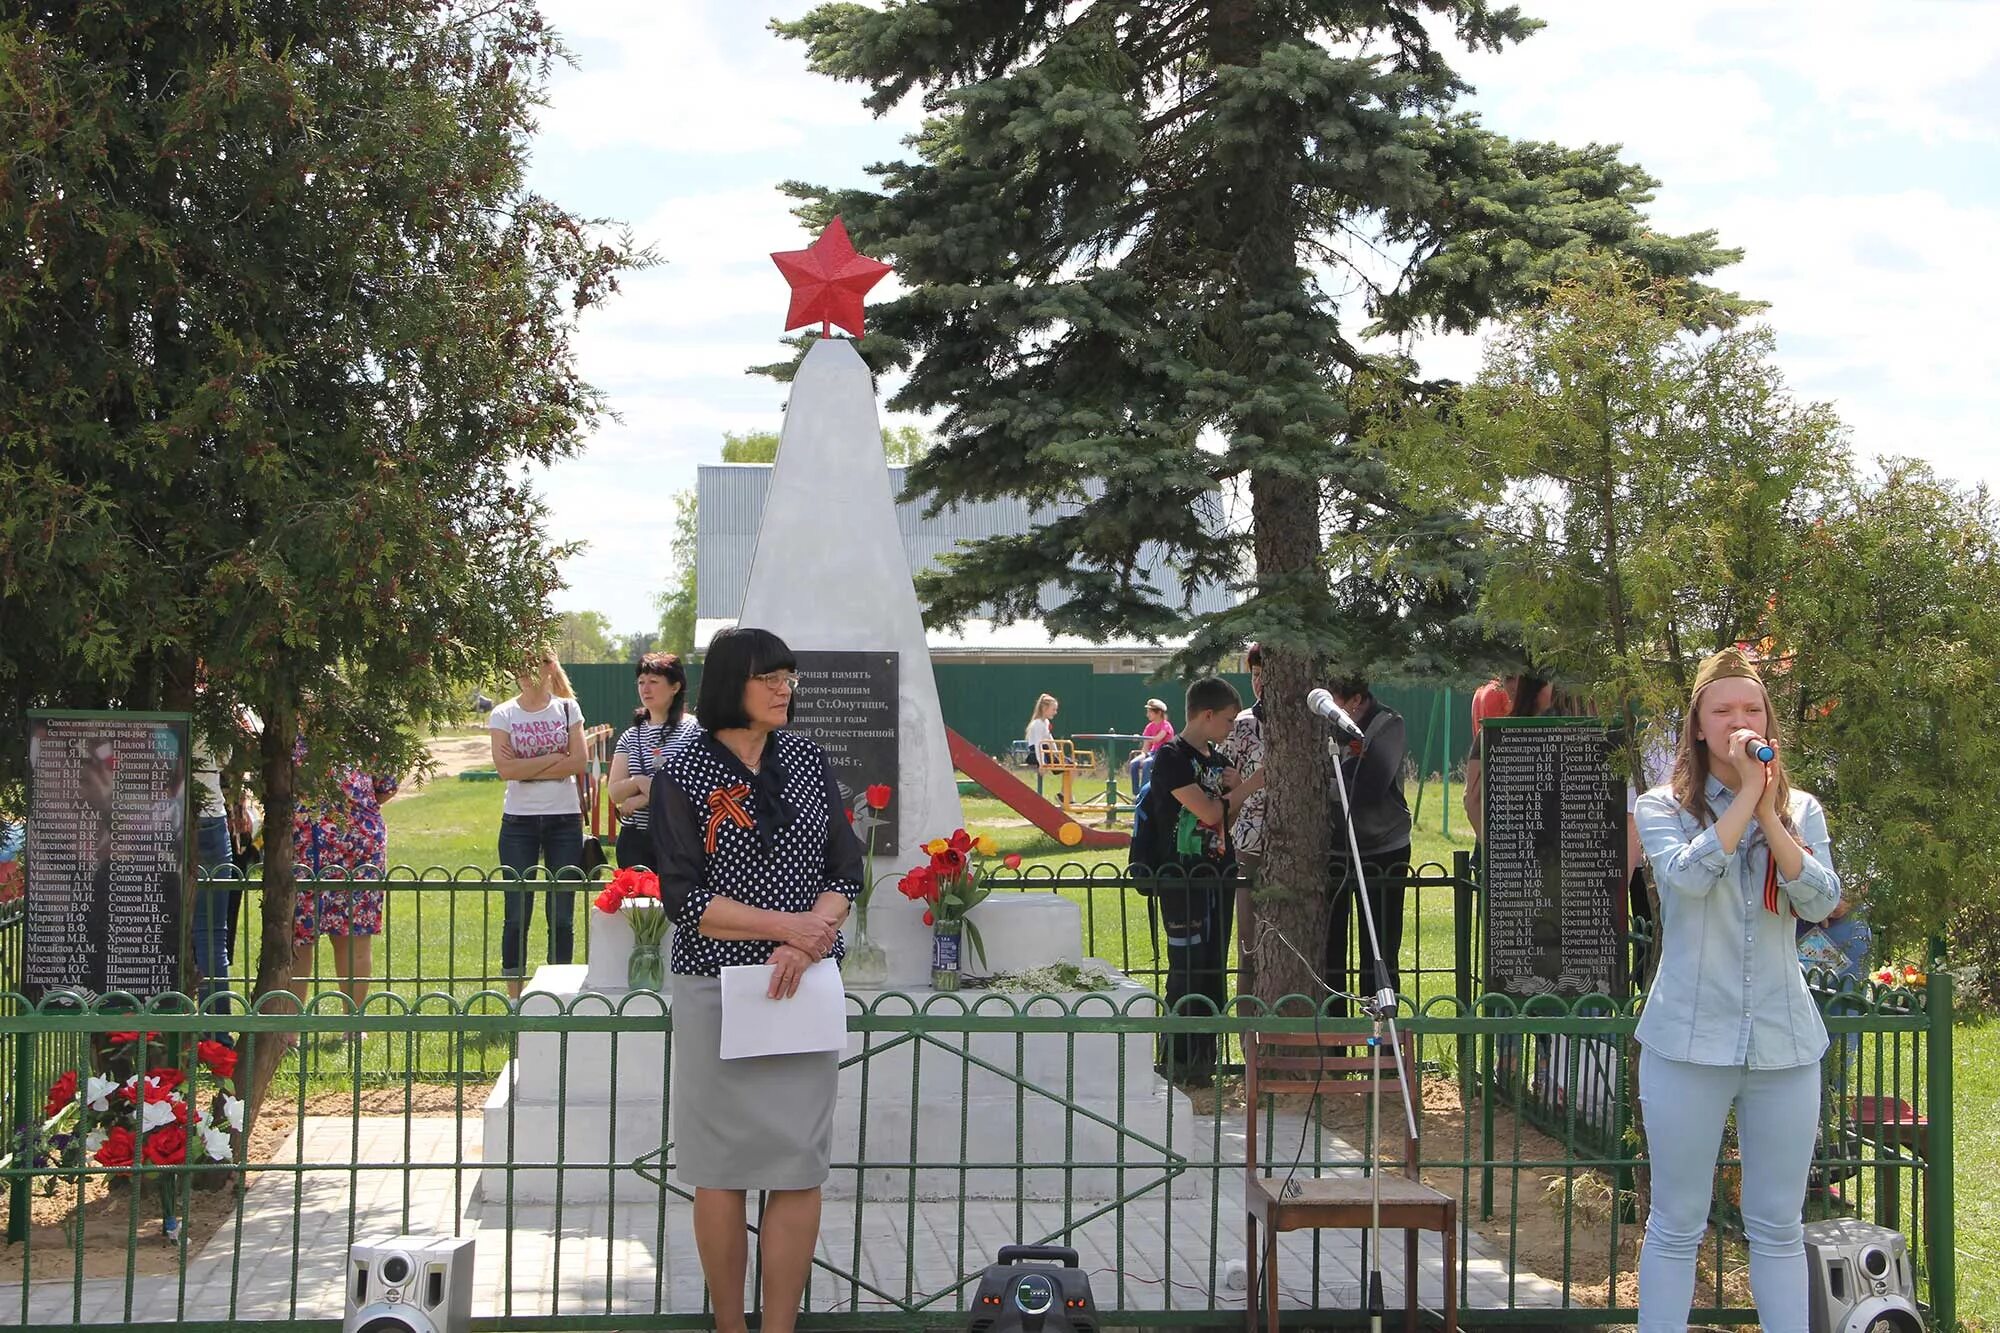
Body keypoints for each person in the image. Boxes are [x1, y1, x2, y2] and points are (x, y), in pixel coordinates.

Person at [648, 626, 863, 1333]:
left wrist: (810, 940)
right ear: (729, 684)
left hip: (802, 986)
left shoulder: (807, 759)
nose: (784, 688)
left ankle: (779, 1327)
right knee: (724, 1165)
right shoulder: (682, 771)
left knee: (798, 1162)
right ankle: (729, 1326)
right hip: (717, 988)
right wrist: (788, 928)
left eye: (788, 677)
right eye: (769, 676)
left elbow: (844, 872)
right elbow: (685, 899)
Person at [1632, 648, 1840, 1333]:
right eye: (1723, 709)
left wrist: (1772, 813)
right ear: (1697, 724)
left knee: (1779, 1226)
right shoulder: (1661, 807)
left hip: (1784, 1044)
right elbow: (1686, 881)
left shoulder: (1802, 809)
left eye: (1751, 709)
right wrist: (1745, 797)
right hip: (1688, 1041)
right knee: (1676, 1222)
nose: (1738, 720)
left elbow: (1819, 898)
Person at [1136, 676, 1245, 1084]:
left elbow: (1221, 820)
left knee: (1212, 968)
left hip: (1217, 875)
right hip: (1180, 879)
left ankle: (1203, 1062)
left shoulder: (1216, 759)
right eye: (1229, 720)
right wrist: (1250, 785)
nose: (1232, 728)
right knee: (1186, 968)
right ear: (1207, 714)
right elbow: (1208, 812)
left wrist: (1235, 789)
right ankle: (1175, 1060)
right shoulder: (1171, 758)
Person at [489, 645, 588, 999]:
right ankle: (515, 997)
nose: (528, 670)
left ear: (550, 667)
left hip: (564, 820)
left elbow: (578, 761)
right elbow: (506, 770)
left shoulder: (567, 708)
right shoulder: (504, 714)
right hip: (519, 822)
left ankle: (558, 993)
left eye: (536, 663)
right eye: (521, 664)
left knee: (562, 914)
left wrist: (527, 766)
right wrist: (551, 758)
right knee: (516, 912)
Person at [290, 740, 399, 1039]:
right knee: (298, 939)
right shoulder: (288, 737)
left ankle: (353, 1023)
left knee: (355, 937)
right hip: (304, 848)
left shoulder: (366, 736)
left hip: (359, 852)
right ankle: (290, 1030)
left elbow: (386, 786)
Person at [1322, 674, 1412, 1016]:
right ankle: (1335, 1050)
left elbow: (1366, 788)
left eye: (1336, 699)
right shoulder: (1322, 723)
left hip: (1384, 848)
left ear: (1356, 700)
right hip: (1334, 850)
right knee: (1331, 951)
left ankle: (1384, 1049)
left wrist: (1322, 781)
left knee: (1379, 951)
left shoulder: (1388, 725)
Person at [608, 652, 697, 871]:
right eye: (641, 682)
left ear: (675, 687)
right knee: (637, 905)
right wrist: (638, 782)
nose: (645, 689)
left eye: (654, 682)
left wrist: (641, 799)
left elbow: (693, 788)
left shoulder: (696, 731)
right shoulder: (631, 736)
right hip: (635, 841)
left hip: (679, 838)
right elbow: (615, 793)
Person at [1463, 673, 1552, 838]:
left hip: (1503, 845)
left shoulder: (1492, 732)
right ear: (1536, 689)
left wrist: (1491, 846)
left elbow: (1471, 801)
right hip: (1528, 849)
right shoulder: (1559, 735)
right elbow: (1472, 800)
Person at [1220, 647, 1267, 877]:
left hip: (1295, 842)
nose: (1260, 682)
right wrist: (1240, 785)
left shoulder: (1306, 723)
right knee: (1248, 911)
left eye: (1266, 675)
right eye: (1255, 674)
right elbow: (1221, 778)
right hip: (1248, 838)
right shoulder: (1240, 724)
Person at [1128, 697, 1176, 789]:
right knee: (1134, 763)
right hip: (1153, 753)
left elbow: (1157, 739)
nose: (1147, 714)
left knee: (1147, 763)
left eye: (1150, 712)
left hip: (1164, 754)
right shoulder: (1149, 726)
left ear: (1159, 713)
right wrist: (1143, 755)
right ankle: (1136, 793)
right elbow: (1146, 745)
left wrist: (1140, 738)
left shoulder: (1166, 725)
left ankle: (1144, 793)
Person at [1024, 694, 1060, 766]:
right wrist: (1041, 763)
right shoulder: (1038, 723)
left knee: (1069, 763)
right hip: (1036, 754)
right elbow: (1038, 744)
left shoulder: (1046, 722)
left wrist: (1057, 754)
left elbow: (1050, 739)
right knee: (1066, 764)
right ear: (1044, 708)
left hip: (1044, 751)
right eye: (1053, 709)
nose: (1055, 712)